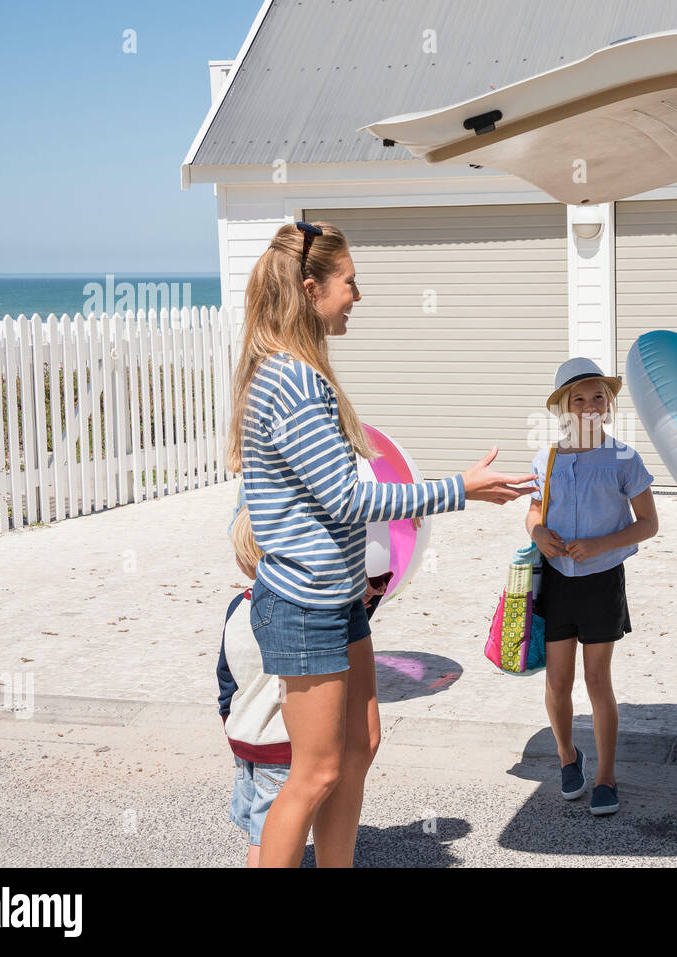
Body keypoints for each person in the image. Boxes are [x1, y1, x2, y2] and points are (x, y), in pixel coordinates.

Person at [227, 221, 536, 867]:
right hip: (305, 604)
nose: (357, 295)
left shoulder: (298, 369)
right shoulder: (293, 379)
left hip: (338, 598)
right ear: (311, 289)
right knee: (312, 773)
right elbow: (346, 498)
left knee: (361, 742)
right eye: (349, 282)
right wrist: (460, 489)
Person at [525, 358, 658, 816]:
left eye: (598, 396)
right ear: (562, 407)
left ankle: (606, 776)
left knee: (598, 681)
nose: (589, 406)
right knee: (558, 681)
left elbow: (648, 524)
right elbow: (534, 512)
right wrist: (538, 532)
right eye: (578, 399)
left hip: (603, 583)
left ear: (610, 403)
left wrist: (601, 544)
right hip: (558, 584)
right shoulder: (546, 458)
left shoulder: (624, 458)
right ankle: (568, 758)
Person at [217, 504, 292, 867]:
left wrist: (229, 717)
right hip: (279, 742)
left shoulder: (236, 607)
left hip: (242, 734)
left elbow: (225, 676)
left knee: (258, 827)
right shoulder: (292, 611)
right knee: (268, 836)